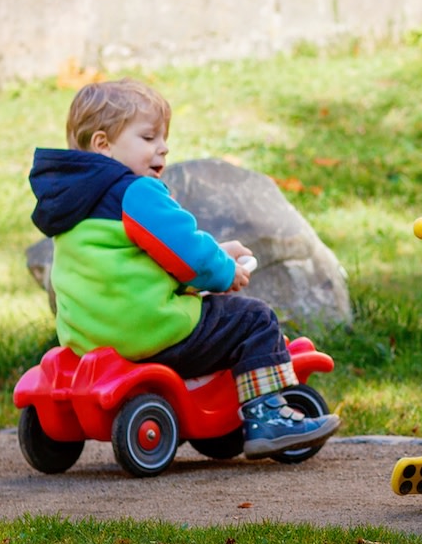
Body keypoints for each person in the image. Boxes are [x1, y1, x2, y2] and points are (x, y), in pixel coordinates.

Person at [29, 78, 340, 460]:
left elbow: (141, 261)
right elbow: (187, 253)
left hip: (89, 338)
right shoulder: (135, 191)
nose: (163, 147)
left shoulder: (71, 204)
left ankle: (217, 415)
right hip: (152, 330)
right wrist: (225, 272)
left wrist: (217, 252)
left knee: (218, 315)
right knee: (253, 319)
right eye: (148, 138)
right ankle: (268, 416)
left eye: (163, 138)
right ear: (103, 145)